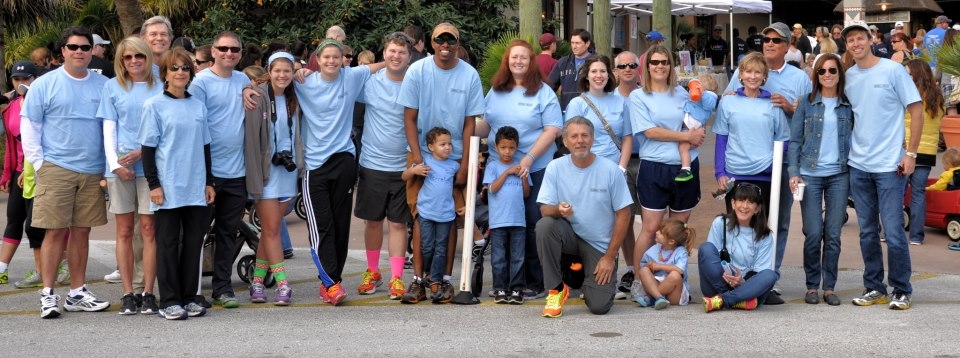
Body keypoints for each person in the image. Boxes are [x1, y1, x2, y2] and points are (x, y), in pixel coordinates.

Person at [21, 26, 111, 319]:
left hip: (92, 170)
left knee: (81, 232)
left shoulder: (103, 85)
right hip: (56, 168)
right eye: (73, 47)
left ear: (91, 51)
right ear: (63, 51)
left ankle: (76, 292)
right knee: (55, 232)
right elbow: (30, 126)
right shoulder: (44, 85)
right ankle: (48, 294)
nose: (79, 52)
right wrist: (41, 163)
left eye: (85, 47)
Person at [287, 38, 385, 306]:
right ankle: (328, 283)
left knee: (341, 224)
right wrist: (294, 68)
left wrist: (395, 61)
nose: (331, 61)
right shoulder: (304, 81)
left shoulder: (351, 77)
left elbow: (379, 66)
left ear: (344, 58)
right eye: (326, 57)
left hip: (343, 160)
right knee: (321, 226)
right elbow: (275, 77)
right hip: (315, 165)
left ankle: (334, 281)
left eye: (336, 56)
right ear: (317, 59)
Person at [724, 22, 812, 303]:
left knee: (778, 220)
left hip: (785, 159)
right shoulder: (747, 68)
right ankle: (740, 274)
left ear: (788, 46)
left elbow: (811, 114)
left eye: (776, 40)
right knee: (744, 218)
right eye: (766, 39)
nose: (770, 44)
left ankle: (769, 275)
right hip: (747, 163)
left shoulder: (799, 78)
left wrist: (788, 106)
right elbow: (728, 100)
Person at [398, 22, 484, 304]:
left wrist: (464, 165)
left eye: (451, 39)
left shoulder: (469, 75)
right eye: (440, 39)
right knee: (421, 219)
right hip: (422, 155)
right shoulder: (417, 71)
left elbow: (470, 123)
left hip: (456, 157)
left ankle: (443, 280)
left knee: (449, 222)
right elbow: (409, 118)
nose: (445, 44)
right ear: (431, 42)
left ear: (458, 42)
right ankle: (419, 280)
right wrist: (419, 157)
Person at [841, 21, 923, 310]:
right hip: (859, 165)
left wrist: (910, 153)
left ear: (871, 40)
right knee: (866, 231)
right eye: (850, 40)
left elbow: (916, 109)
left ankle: (901, 288)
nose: (855, 44)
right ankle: (875, 286)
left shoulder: (892, 70)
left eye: (860, 38)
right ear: (847, 45)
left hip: (890, 165)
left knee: (893, 230)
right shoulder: (848, 75)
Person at [479, 39, 561, 301]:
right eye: (514, 57)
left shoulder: (543, 91)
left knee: (532, 225)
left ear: (531, 61)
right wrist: (463, 126)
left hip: (535, 168)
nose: (518, 62)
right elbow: (485, 125)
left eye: (523, 57)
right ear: (507, 60)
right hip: (500, 169)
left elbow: (553, 129)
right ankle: (506, 282)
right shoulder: (496, 91)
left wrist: (528, 159)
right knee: (504, 226)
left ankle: (533, 281)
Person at [140, 48, 215, 320]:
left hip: (195, 188)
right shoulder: (154, 105)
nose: (181, 72)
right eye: (175, 68)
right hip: (168, 188)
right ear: (165, 74)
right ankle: (169, 300)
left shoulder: (198, 105)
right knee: (168, 244)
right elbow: (148, 149)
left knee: (194, 244)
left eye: (185, 68)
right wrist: (154, 185)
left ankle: (188, 297)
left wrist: (209, 182)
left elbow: (205, 146)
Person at [536, 117, 632, 317]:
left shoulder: (610, 170)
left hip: (598, 245)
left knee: (599, 306)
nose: (580, 140)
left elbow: (624, 214)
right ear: (565, 141)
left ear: (592, 139)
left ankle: (584, 281)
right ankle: (556, 290)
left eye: (584, 135)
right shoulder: (555, 167)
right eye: (574, 136)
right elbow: (545, 210)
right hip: (569, 235)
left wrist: (609, 256)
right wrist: (559, 210)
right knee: (545, 226)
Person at [628, 45, 705, 290]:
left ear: (671, 66)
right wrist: (685, 138)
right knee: (651, 229)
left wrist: (698, 133)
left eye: (664, 62)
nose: (660, 66)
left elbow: (698, 120)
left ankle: (677, 280)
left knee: (677, 231)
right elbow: (649, 132)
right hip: (654, 168)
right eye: (654, 62)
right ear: (647, 67)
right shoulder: (638, 97)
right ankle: (640, 280)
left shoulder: (683, 94)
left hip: (685, 167)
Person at [96, 37, 163, 315]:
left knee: (148, 231)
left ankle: (148, 291)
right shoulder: (112, 87)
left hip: (151, 168)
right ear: (121, 61)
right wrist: (114, 165)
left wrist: (141, 153)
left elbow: (165, 130)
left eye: (139, 56)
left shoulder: (161, 86)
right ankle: (128, 292)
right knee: (123, 231)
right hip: (120, 170)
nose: (134, 61)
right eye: (127, 57)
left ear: (147, 57)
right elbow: (108, 130)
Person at [188, 31, 251, 309]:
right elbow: (194, 126)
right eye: (223, 48)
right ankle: (190, 289)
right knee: (196, 234)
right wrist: (203, 175)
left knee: (228, 233)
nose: (229, 53)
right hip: (206, 174)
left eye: (234, 49)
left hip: (237, 173)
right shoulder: (200, 82)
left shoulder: (243, 79)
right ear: (213, 51)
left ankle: (222, 288)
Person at [787, 53, 853, 306]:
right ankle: (812, 285)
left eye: (832, 71)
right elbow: (794, 140)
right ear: (816, 75)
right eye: (822, 71)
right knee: (813, 232)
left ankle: (830, 287)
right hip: (809, 175)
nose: (827, 75)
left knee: (833, 234)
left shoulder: (848, 104)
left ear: (839, 74)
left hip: (839, 174)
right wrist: (794, 172)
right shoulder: (806, 102)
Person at [354, 32, 415, 299]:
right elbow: (340, 79)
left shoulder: (416, 85)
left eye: (401, 52)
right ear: (384, 53)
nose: (396, 56)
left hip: (403, 166)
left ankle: (397, 277)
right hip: (372, 164)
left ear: (409, 57)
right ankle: (372, 271)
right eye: (391, 51)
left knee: (399, 224)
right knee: (373, 222)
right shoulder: (369, 83)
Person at [242, 52, 300, 306]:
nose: (282, 75)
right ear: (269, 71)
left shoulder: (295, 96)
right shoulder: (258, 95)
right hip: (265, 173)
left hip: (287, 171)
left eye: (287, 70)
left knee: (270, 229)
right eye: (277, 70)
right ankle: (282, 284)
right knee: (273, 228)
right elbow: (252, 141)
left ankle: (257, 283)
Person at [714, 52, 790, 212]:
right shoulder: (728, 102)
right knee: (735, 226)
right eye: (748, 71)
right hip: (733, 174)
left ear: (764, 76)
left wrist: (771, 164)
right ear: (740, 74)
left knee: (761, 228)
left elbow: (783, 139)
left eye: (758, 72)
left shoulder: (773, 104)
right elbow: (721, 139)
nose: (753, 76)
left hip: (765, 174)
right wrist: (720, 172)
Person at [402, 127, 460, 303]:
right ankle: (428, 275)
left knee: (441, 248)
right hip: (426, 212)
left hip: (446, 215)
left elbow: (459, 187)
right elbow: (404, 176)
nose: (447, 147)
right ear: (431, 146)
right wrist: (414, 171)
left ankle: (435, 280)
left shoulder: (454, 165)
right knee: (427, 247)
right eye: (442, 144)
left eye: (449, 144)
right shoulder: (424, 161)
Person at [699, 183, 778, 312]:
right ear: (733, 203)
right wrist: (729, 278)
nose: (745, 206)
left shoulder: (765, 235)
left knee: (770, 275)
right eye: (741, 200)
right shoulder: (720, 223)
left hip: (746, 286)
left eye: (751, 202)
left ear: (757, 208)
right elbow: (711, 260)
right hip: (718, 282)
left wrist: (741, 282)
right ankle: (735, 300)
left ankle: (724, 300)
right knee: (706, 248)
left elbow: (760, 270)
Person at [0, 61, 43, 286]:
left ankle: (45, 270)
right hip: (18, 171)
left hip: (37, 170)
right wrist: (6, 174)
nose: (21, 83)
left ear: (35, 79)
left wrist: (29, 167)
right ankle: (2, 269)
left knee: (36, 224)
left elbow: (39, 140)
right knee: (14, 218)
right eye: (17, 79)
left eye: (26, 78)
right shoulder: (11, 107)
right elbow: (10, 144)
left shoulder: (43, 103)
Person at [484, 126, 532, 304]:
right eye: (503, 147)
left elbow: (526, 193)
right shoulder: (493, 166)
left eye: (511, 148)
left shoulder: (521, 165)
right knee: (498, 258)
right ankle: (499, 288)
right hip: (498, 221)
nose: (507, 151)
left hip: (518, 221)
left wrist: (524, 177)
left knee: (518, 257)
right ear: (496, 147)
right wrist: (507, 172)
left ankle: (517, 289)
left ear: (517, 147)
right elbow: (492, 189)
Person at [564, 55, 632, 178]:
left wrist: (621, 168)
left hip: (615, 170)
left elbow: (627, 138)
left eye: (603, 71)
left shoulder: (621, 102)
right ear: (586, 76)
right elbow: (571, 140)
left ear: (608, 74)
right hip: (586, 170)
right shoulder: (577, 104)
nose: (599, 75)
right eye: (594, 71)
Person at [903, 59, 945, 246]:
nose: (905, 76)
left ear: (916, 75)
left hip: (906, 149)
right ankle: (916, 236)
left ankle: (889, 231)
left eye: (908, 73)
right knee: (918, 194)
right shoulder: (936, 97)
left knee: (896, 193)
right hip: (928, 151)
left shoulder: (908, 95)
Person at [611, 50, 641, 297]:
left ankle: (648, 269)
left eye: (632, 65)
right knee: (625, 219)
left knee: (654, 221)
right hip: (621, 162)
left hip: (650, 161)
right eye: (623, 66)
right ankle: (631, 268)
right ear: (616, 71)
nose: (628, 69)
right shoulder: (609, 99)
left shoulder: (649, 94)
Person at [633, 218, 695, 310]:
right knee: (643, 271)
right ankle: (659, 298)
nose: (657, 232)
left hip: (673, 294)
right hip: (656, 285)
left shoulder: (681, 252)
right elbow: (643, 264)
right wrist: (648, 266)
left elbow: (680, 270)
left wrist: (658, 266)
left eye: (661, 232)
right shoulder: (655, 248)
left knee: (675, 275)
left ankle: (652, 298)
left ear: (671, 241)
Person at [677, 73, 719, 182]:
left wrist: (703, 93)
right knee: (683, 145)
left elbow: (710, 105)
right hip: (690, 121)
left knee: (683, 147)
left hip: (692, 123)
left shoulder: (710, 96)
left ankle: (686, 169)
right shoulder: (698, 97)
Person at [548, 28, 593, 111]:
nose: (574, 46)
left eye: (578, 43)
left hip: (590, 112)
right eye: (572, 43)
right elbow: (549, 87)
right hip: (566, 111)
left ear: (587, 43)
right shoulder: (563, 62)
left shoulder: (596, 62)